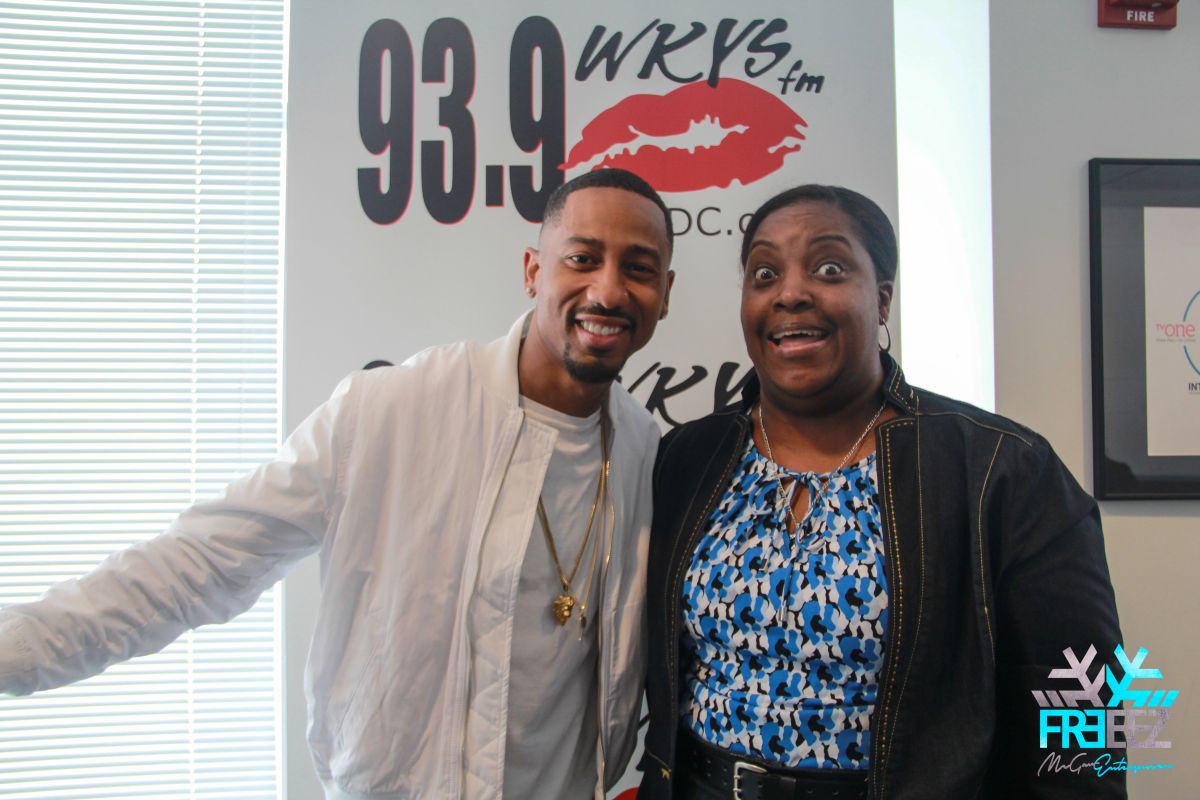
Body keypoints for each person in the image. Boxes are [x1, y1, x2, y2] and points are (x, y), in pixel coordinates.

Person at [0, 167, 675, 800]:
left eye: (637, 270)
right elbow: (195, 565)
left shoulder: (649, 454)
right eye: (582, 258)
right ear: (533, 271)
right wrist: (17, 650)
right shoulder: (390, 410)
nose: (609, 291)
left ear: (665, 295)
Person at [639, 185, 1124, 799]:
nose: (790, 292)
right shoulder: (689, 458)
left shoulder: (1002, 469)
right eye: (765, 273)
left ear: (883, 299)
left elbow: (1085, 701)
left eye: (830, 268)